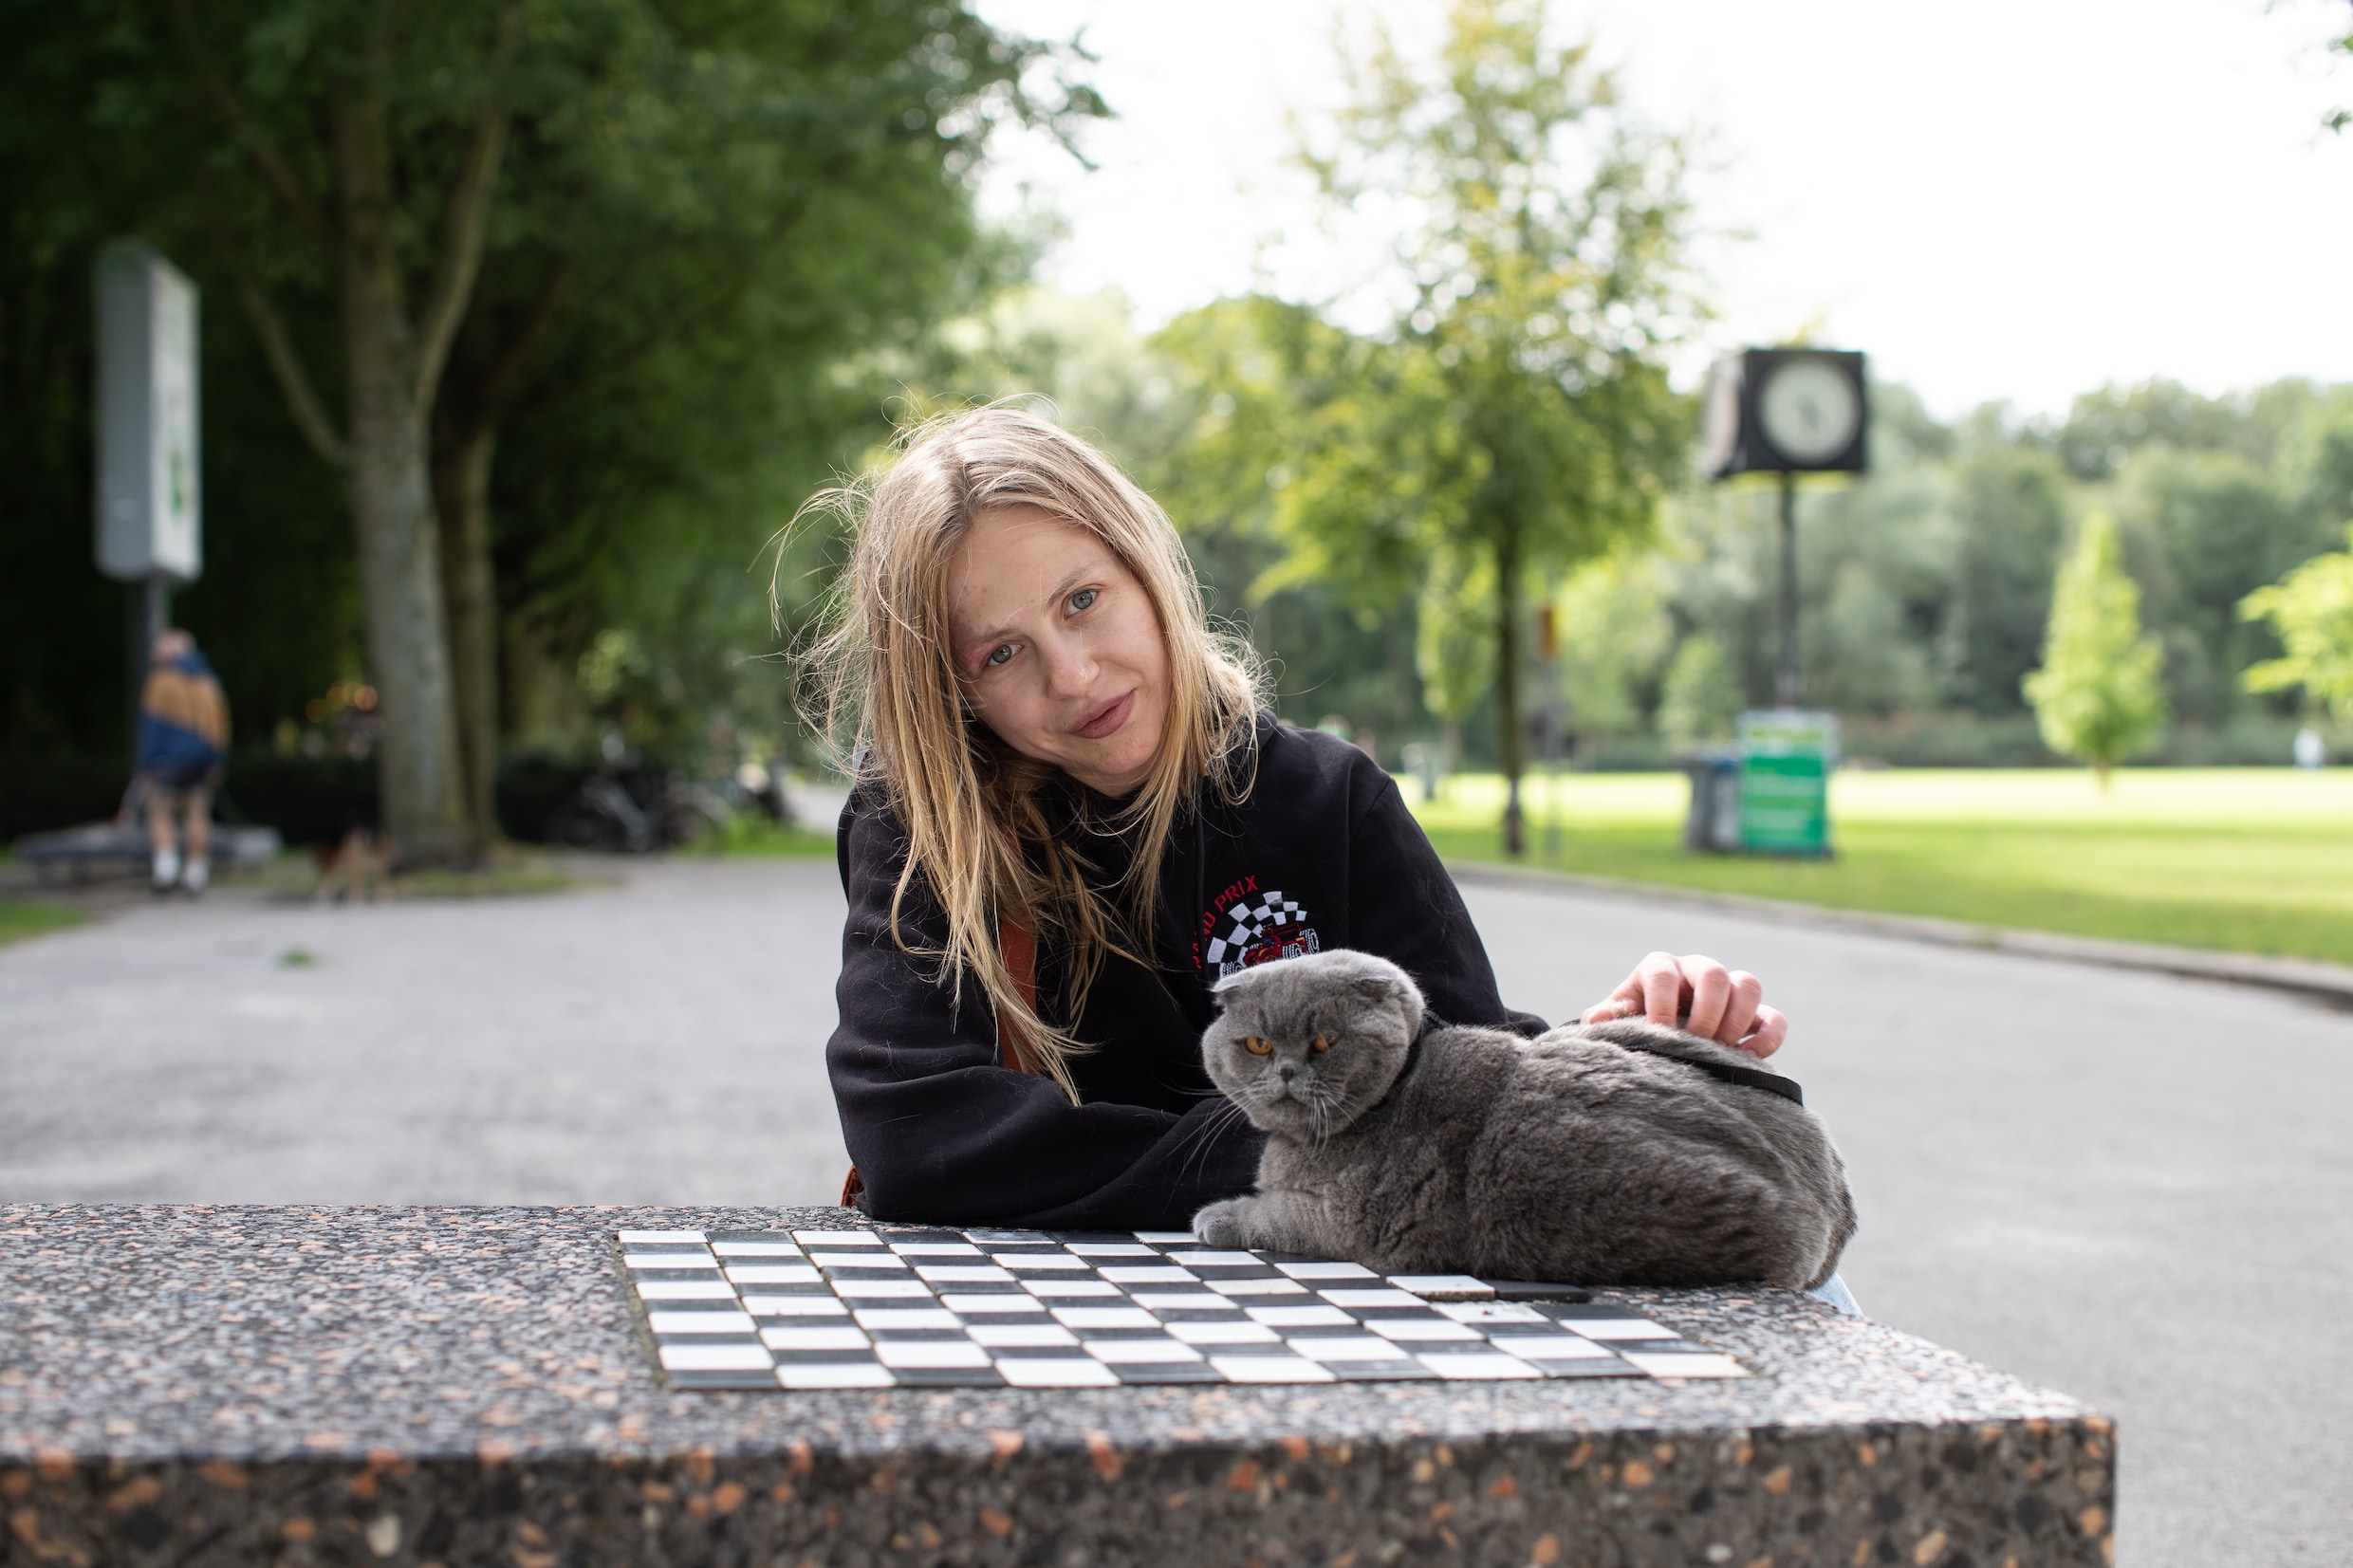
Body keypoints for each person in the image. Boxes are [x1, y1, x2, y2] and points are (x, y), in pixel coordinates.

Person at [817, 407, 1809, 1254]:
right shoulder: (922, 830)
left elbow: (1465, 1070)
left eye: (1083, 601)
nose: (1072, 674)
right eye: (1001, 653)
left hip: (1336, 1317)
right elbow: (919, 1136)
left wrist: (1617, 1053)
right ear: (952, 692)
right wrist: (1326, 1159)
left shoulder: (1327, 798)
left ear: (1146, 568)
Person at [136, 629, 230, 894]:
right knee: (197, 815)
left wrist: (144, 764)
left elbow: (152, 727)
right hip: (203, 761)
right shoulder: (209, 682)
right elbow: (220, 726)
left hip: (167, 762)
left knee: (160, 813)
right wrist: (218, 761)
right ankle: (196, 872)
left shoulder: (161, 681)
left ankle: (166, 870)